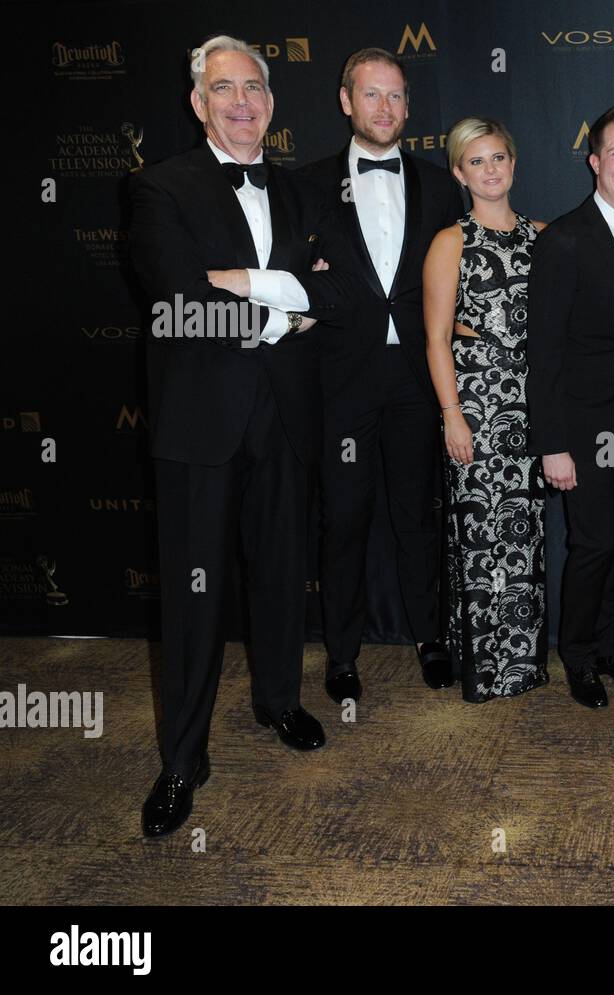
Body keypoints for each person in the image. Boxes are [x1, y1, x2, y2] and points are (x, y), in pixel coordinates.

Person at [130, 36, 359, 838]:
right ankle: (182, 758)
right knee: (193, 596)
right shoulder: (158, 187)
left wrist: (248, 282)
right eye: (223, 88)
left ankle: (278, 701)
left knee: (281, 569)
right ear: (198, 103)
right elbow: (178, 300)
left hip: (287, 412)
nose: (241, 101)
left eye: (254, 87)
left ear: (271, 101)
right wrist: (286, 303)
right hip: (201, 419)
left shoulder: (302, 191)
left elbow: (348, 292)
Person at [297, 48, 463, 706]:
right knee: (343, 518)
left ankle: (430, 635)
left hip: (418, 375)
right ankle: (342, 652)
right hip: (340, 378)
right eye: (372, 96)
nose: (386, 108)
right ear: (346, 101)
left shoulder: (439, 186)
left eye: (396, 97)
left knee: (417, 516)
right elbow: (284, 272)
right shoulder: (305, 185)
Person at [526, 106, 614, 709]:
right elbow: (544, 352)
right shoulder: (564, 239)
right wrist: (552, 443)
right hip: (583, 428)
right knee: (592, 545)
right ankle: (578, 655)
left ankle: (609, 649)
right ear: (595, 162)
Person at [423, 118, 548, 702]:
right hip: (475, 404)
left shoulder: (544, 237)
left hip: (532, 407)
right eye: (477, 161)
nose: (491, 169)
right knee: (478, 537)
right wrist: (452, 415)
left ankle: (523, 664)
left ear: (515, 164)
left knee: (525, 537)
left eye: (499, 157)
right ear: (458, 172)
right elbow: (437, 338)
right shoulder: (451, 242)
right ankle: (483, 664)